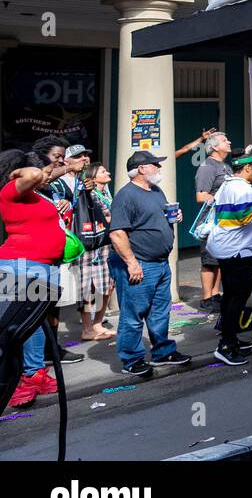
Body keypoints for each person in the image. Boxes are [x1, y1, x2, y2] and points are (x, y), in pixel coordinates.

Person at [107, 150, 192, 376]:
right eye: (155, 164)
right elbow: (117, 233)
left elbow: (157, 217)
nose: (159, 167)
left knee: (160, 312)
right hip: (140, 263)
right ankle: (131, 359)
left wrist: (176, 216)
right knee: (133, 315)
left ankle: (162, 353)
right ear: (142, 169)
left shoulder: (155, 190)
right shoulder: (126, 196)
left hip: (160, 263)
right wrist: (132, 263)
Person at [0, 149, 72, 407]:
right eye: (46, 172)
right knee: (14, 330)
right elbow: (33, 174)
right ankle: (19, 379)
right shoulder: (11, 191)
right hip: (20, 268)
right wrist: (19, 171)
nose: (48, 177)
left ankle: (35, 373)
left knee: (36, 325)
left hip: (41, 267)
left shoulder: (35, 194)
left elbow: (40, 177)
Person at [205, 154, 252, 365]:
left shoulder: (228, 185)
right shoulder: (242, 189)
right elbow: (246, 217)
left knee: (232, 296)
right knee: (237, 296)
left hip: (229, 248)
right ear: (247, 169)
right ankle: (226, 345)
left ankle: (231, 338)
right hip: (237, 250)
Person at [32, 136, 85, 366]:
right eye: (57, 157)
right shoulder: (25, 185)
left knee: (52, 306)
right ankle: (33, 364)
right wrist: (69, 167)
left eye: (64, 158)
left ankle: (51, 350)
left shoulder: (51, 187)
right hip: (31, 260)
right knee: (34, 310)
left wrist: (63, 204)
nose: (61, 162)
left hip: (53, 257)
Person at [193, 132, 233, 313]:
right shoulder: (207, 167)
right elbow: (201, 196)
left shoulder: (226, 166)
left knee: (221, 259)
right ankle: (207, 298)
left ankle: (216, 294)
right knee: (209, 261)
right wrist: (222, 200)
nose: (229, 142)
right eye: (225, 140)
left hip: (225, 220)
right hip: (211, 221)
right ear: (215, 147)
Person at [76, 161, 116, 340]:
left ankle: (97, 323)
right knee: (87, 287)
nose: (107, 173)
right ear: (92, 177)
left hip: (106, 243)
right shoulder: (89, 194)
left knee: (107, 284)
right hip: (90, 244)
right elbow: (101, 218)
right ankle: (87, 328)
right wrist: (113, 218)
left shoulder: (105, 192)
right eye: (103, 171)